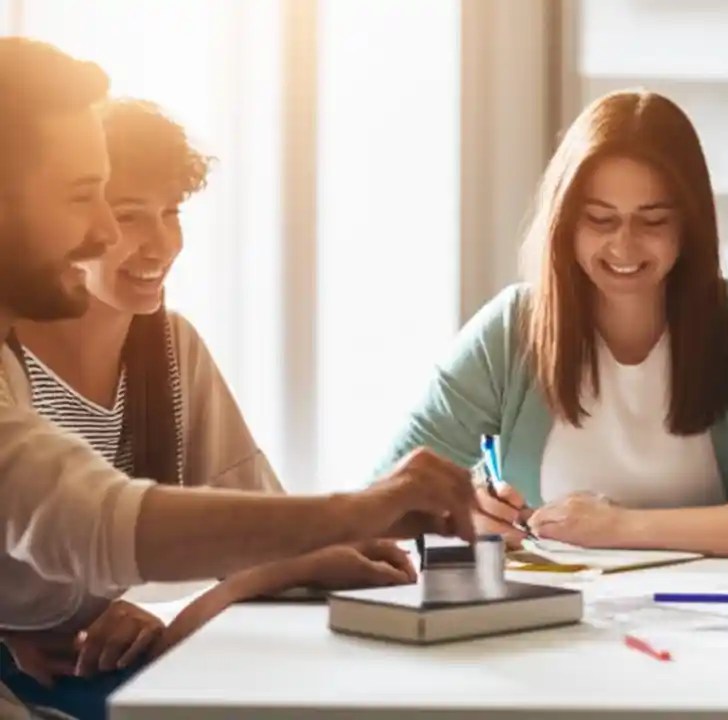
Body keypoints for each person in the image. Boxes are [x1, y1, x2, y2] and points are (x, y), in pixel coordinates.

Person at [0, 36, 474, 715]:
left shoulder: (167, 350)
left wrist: (324, 539)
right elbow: (92, 520)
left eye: (169, 212)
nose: (111, 236)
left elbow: (216, 519)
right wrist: (351, 515)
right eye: (89, 199)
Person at [377, 89, 728, 560]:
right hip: (560, 627)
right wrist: (460, 514)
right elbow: (380, 502)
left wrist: (625, 527)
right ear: (565, 222)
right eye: (600, 220)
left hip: (716, 622)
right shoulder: (512, 331)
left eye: (652, 222)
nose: (624, 248)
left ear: (689, 224)